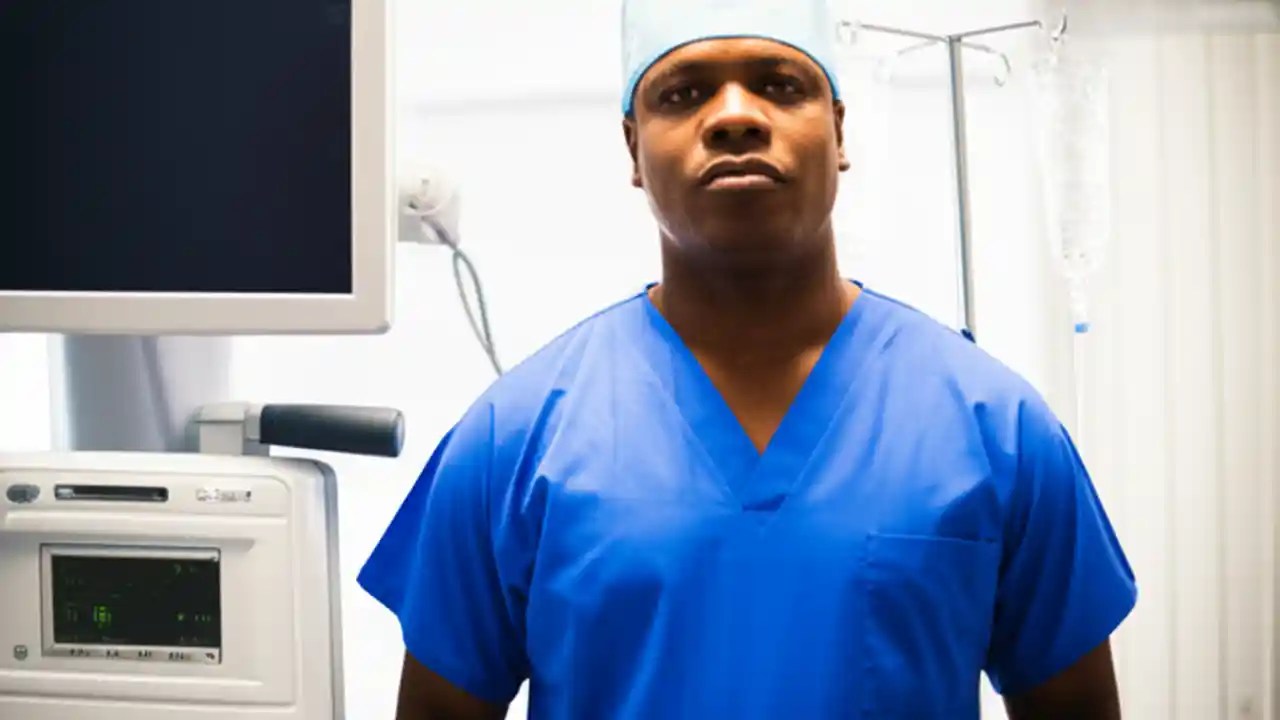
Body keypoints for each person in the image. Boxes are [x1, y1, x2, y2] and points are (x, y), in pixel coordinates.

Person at [357, 0, 1138, 717]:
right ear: (634, 147)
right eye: (683, 93)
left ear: (839, 134)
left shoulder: (995, 426)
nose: (734, 116)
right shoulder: (512, 439)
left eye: (778, 85)